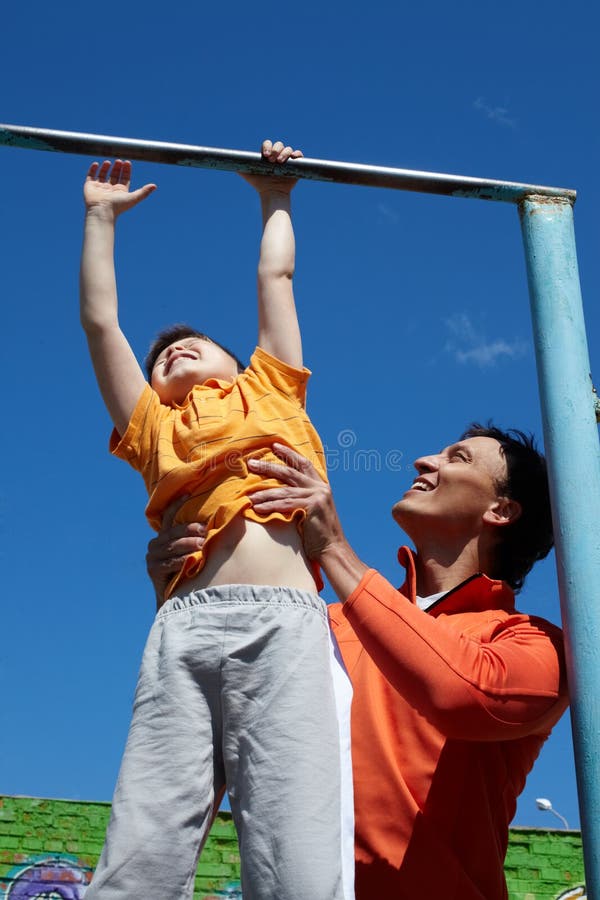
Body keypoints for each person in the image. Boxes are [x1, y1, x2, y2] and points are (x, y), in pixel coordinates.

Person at [79, 140, 353, 900]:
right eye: (162, 354)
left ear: (242, 363)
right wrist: (101, 220)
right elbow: (103, 327)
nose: (172, 350)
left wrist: (276, 197)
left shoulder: (272, 391)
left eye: (192, 344)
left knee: (294, 851)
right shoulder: (151, 429)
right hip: (186, 628)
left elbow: (277, 276)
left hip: (285, 624)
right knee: (143, 850)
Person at [148, 423, 569, 899]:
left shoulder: (535, 644)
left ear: (502, 510)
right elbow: (227, 713)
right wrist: (185, 598)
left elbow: (460, 693)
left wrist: (333, 549)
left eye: (459, 458)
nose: (424, 462)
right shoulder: (328, 623)